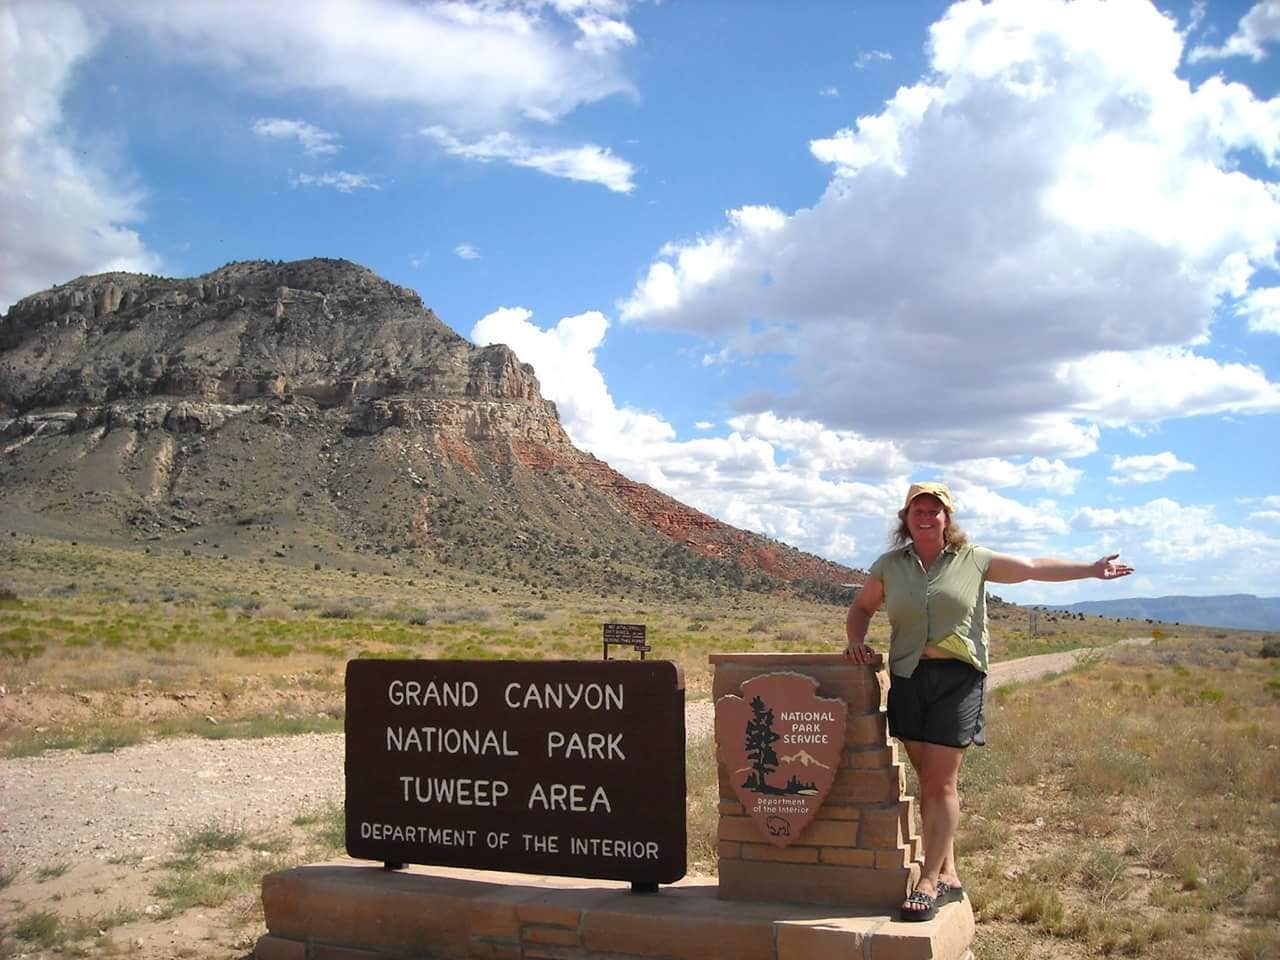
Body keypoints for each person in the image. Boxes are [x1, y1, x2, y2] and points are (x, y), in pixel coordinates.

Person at [843, 481, 1132, 922]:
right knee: (928, 780)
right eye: (918, 510)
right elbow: (862, 608)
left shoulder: (973, 559)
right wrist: (855, 641)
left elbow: (1032, 568)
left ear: (947, 518)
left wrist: (1090, 570)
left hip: (958, 678)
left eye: (934, 510)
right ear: (906, 518)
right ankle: (949, 869)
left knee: (941, 782)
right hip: (908, 677)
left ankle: (929, 881)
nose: (926, 516)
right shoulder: (890, 566)